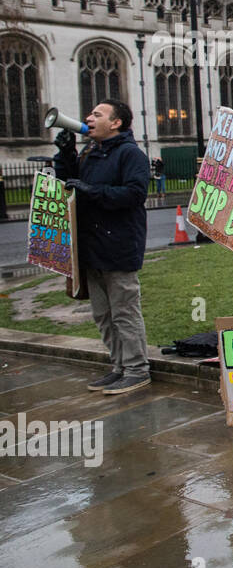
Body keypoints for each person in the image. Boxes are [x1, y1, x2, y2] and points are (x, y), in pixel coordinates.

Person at [53, 99, 152, 395]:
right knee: (103, 314)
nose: (88, 118)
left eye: (97, 114)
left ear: (116, 122)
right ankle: (119, 366)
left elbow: (134, 194)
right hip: (92, 247)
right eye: (90, 113)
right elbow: (68, 183)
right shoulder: (90, 153)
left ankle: (137, 369)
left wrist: (92, 192)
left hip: (119, 246)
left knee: (124, 311)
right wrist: (65, 155)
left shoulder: (131, 154)